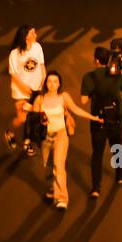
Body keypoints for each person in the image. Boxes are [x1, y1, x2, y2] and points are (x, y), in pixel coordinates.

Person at [32, 71, 100, 210]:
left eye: (55, 81)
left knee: (59, 166)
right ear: (45, 84)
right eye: (49, 81)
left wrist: (94, 118)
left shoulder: (63, 97)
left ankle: (62, 199)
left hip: (60, 135)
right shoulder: (40, 99)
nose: (52, 84)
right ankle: (54, 188)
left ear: (59, 84)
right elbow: (33, 120)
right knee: (49, 165)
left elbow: (76, 109)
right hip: (45, 138)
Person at [81, 45, 122, 197]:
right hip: (115, 118)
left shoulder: (89, 77)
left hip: (98, 119)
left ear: (95, 60)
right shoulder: (115, 74)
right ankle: (119, 174)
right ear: (108, 59)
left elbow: (83, 100)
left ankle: (96, 187)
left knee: (97, 153)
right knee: (117, 147)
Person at [5, 24, 46, 151]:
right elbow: (14, 75)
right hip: (21, 92)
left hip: (36, 89)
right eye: (32, 33)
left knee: (33, 116)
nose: (36, 35)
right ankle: (9, 132)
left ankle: (27, 142)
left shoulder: (37, 47)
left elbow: (42, 65)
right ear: (25, 37)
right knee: (22, 118)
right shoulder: (15, 54)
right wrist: (26, 89)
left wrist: (43, 81)